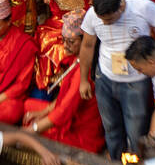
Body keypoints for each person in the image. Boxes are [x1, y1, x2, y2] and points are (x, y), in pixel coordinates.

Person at [79, 0, 155, 160]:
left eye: (109, 19)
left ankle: (136, 164)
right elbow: (87, 46)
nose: (105, 23)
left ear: (119, 8)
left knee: (136, 129)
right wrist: (84, 80)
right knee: (111, 128)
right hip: (105, 78)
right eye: (102, 20)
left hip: (136, 82)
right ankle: (117, 162)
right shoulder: (93, 15)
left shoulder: (143, 7)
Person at [22, 12, 106, 154]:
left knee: (29, 128)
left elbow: (64, 112)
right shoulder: (78, 59)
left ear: (85, 41)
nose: (65, 46)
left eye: (71, 42)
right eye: (63, 40)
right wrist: (43, 112)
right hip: (69, 117)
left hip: (81, 135)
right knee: (29, 106)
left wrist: (32, 130)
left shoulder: (83, 73)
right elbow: (63, 99)